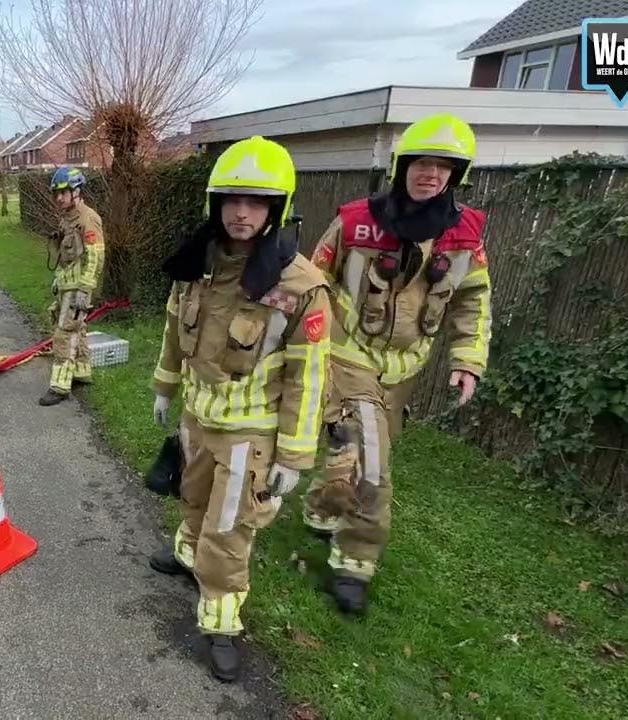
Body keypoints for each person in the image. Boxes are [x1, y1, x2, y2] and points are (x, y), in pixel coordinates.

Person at [147, 136, 331, 682]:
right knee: (193, 497)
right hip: (197, 421)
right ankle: (186, 556)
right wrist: (165, 385)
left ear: (276, 209)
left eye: (256, 202)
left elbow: (309, 376)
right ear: (216, 204)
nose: (242, 212)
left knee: (228, 526)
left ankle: (221, 620)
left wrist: (294, 457)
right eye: (232, 200)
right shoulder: (197, 262)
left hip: (248, 433)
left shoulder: (299, 286)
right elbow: (173, 332)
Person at [301, 112, 492, 616]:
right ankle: (353, 564)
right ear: (400, 166)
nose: (430, 174)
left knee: (355, 454)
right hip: (348, 358)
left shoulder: (465, 236)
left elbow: (473, 301)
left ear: (456, 175)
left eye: (442, 166)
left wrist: (468, 359)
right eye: (420, 163)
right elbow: (312, 278)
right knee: (373, 468)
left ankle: (322, 512)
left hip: (404, 372)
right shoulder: (354, 220)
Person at [39, 165, 106, 406]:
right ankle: (81, 371)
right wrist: (59, 280)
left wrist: (84, 290)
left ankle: (60, 386)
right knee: (78, 329)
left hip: (78, 289)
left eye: (63, 192)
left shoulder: (87, 219)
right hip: (68, 286)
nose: (59, 198)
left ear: (76, 191)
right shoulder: (67, 218)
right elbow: (68, 258)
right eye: (56, 193)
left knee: (64, 334)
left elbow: (96, 256)